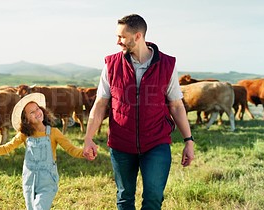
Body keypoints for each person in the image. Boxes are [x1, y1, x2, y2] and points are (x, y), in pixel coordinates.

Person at [83, 14, 195, 210]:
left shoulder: (167, 65)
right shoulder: (111, 64)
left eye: (122, 37)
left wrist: (188, 141)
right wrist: (88, 138)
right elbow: (100, 105)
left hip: (156, 142)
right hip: (121, 143)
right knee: (125, 197)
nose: (118, 42)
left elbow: (176, 106)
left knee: (153, 197)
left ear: (138, 36)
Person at [0, 93, 91, 210]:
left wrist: (84, 153)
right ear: (26, 119)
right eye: (31, 112)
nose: (37, 113)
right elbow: (6, 148)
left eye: (37, 109)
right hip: (29, 179)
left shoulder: (54, 133)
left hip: (47, 180)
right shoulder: (24, 134)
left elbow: (71, 149)